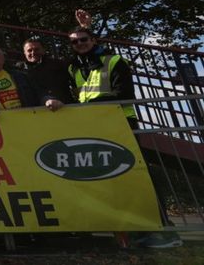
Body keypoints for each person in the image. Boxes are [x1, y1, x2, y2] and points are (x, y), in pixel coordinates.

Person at [67, 26, 182, 248]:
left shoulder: (114, 61)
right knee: (111, 178)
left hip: (121, 123)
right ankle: (134, 231)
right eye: (74, 41)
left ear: (93, 40)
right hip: (94, 126)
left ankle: (166, 231)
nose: (79, 43)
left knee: (137, 174)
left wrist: (93, 105)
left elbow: (125, 93)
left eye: (83, 39)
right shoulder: (75, 67)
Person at [0, 44, 63, 118]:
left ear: (3, 59)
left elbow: (38, 91)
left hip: (28, 119)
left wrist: (47, 99)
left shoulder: (21, 76)